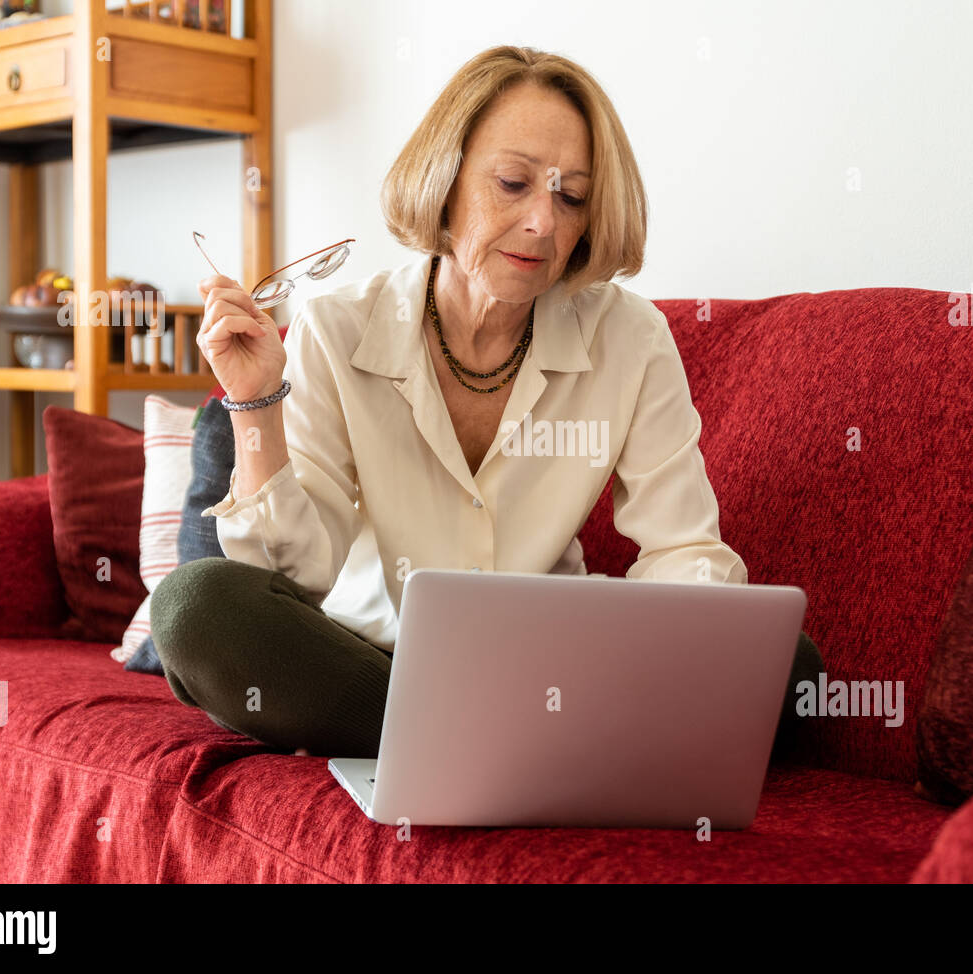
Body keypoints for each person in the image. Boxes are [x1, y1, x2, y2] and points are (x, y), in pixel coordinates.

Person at [150, 44, 823, 760]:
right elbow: (292, 575)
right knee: (198, 610)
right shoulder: (336, 329)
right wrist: (255, 404)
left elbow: (684, 548)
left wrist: (684, 636)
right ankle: (528, 750)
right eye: (512, 183)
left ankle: (462, 746)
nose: (543, 223)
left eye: (571, 197)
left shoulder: (630, 337)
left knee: (787, 666)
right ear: (444, 180)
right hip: (371, 664)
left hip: (550, 669)